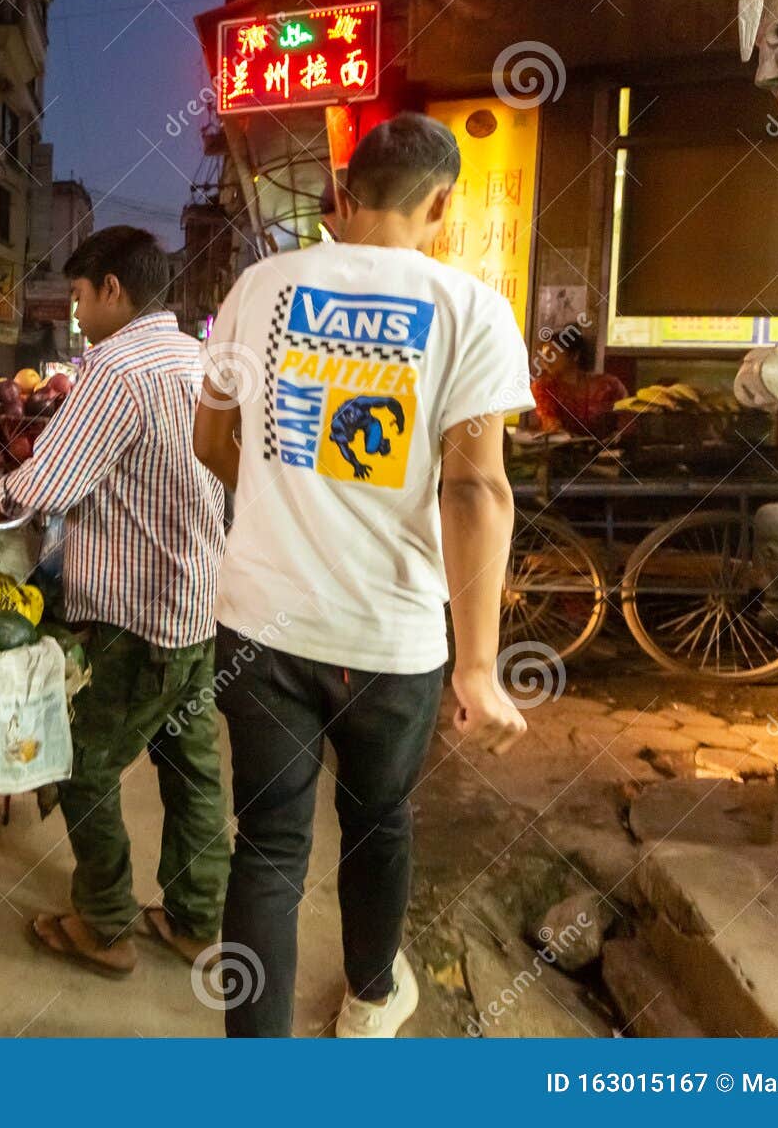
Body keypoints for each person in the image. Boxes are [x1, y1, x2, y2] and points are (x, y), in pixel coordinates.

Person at [193, 113, 530, 1037]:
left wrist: (284, 504)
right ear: (442, 204)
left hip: (260, 625)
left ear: (342, 194)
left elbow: (212, 440)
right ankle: (370, 999)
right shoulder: (471, 310)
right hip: (391, 637)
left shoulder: (258, 287)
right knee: (378, 821)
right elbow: (475, 487)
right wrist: (478, 666)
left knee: (267, 848)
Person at [0, 226, 229, 978]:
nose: (77, 314)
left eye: (81, 296)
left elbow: (45, 488)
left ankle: (107, 924)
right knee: (192, 769)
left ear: (113, 288)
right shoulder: (196, 358)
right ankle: (196, 919)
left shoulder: (116, 368)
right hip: (196, 607)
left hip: (132, 618)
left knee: (82, 762)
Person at [529, 327, 625, 439]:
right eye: (544, 353)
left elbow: (628, 418)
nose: (546, 358)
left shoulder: (609, 385)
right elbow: (550, 423)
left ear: (574, 355)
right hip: (563, 447)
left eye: (553, 351)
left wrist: (619, 434)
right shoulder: (543, 387)